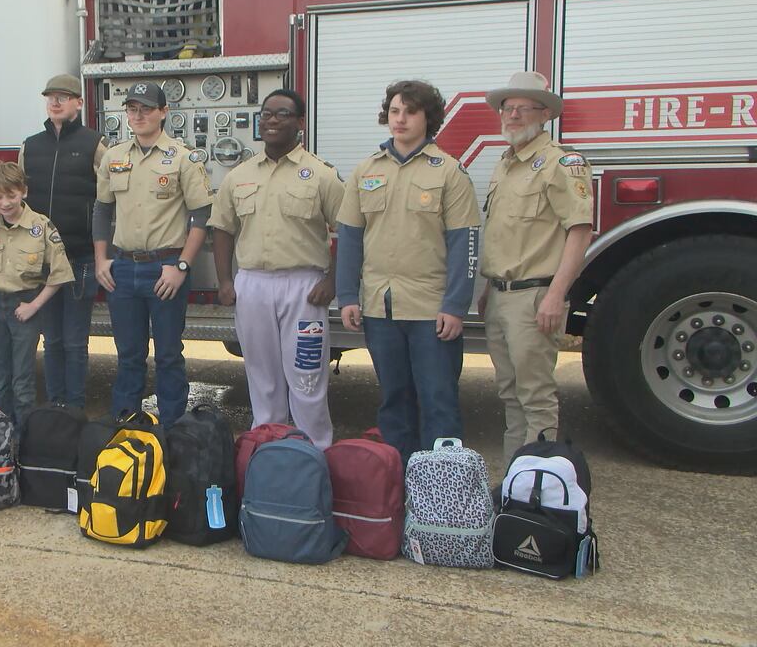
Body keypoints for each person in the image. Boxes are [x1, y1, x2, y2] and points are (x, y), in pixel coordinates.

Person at [336, 80, 481, 463]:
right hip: (379, 309)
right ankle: (397, 487)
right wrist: (348, 296)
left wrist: (455, 305)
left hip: (431, 311)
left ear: (427, 118)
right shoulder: (366, 170)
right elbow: (350, 239)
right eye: (395, 111)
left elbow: (465, 244)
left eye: (410, 112)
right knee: (393, 400)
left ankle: (437, 496)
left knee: (438, 402)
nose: (400, 120)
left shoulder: (449, 172)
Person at [210, 89, 345, 449]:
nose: (271, 120)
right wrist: (225, 280)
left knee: (306, 379)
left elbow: (348, 230)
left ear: (300, 123)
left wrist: (334, 279)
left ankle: (315, 456)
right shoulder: (239, 176)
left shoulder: (320, 175)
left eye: (281, 114)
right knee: (262, 379)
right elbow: (221, 228)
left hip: (304, 288)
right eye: (266, 113)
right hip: (252, 285)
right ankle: (268, 455)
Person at [478, 71, 594, 460]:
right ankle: (516, 481)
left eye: (521, 109)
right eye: (506, 109)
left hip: (534, 298)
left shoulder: (561, 163)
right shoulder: (505, 164)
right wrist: (486, 290)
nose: (510, 116)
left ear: (544, 114)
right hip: (499, 296)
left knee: (536, 398)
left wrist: (556, 296)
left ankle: (537, 490)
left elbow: (579, 232)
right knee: (511, 396)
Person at [93, 81, 213, 428]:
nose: (139, 114)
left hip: (165, 269)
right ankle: (125, 430)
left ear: (164, 112)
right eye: (132, 109)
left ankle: (174, 432)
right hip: (123, 269)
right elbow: (101, 211)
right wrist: (101, 259)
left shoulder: (184, 158)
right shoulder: (114, 157)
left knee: (168, 356)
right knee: (128, 356)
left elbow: (202, 215)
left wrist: (182, 265)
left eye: (146, 108)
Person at [0, 161, 73, 420]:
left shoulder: (41, 226)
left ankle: (24, 441)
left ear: (24, 192)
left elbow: (60, 273)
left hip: (25, 308)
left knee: (23, 382)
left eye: (11, 195)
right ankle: (1, 440)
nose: (5, 202)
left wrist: (34, 305)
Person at [19, 74, 106, 410]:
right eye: (51, 97)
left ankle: (75, 409)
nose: (55, 102)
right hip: (41, 262)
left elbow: (107, 199)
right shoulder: (30, 146)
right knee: (51, 341)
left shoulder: (94, 144)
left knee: (74, 342)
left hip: (79, 258)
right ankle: (55, 407)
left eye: (63, 97)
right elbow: (20, 202)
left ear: (78, 103)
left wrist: (102, 250)